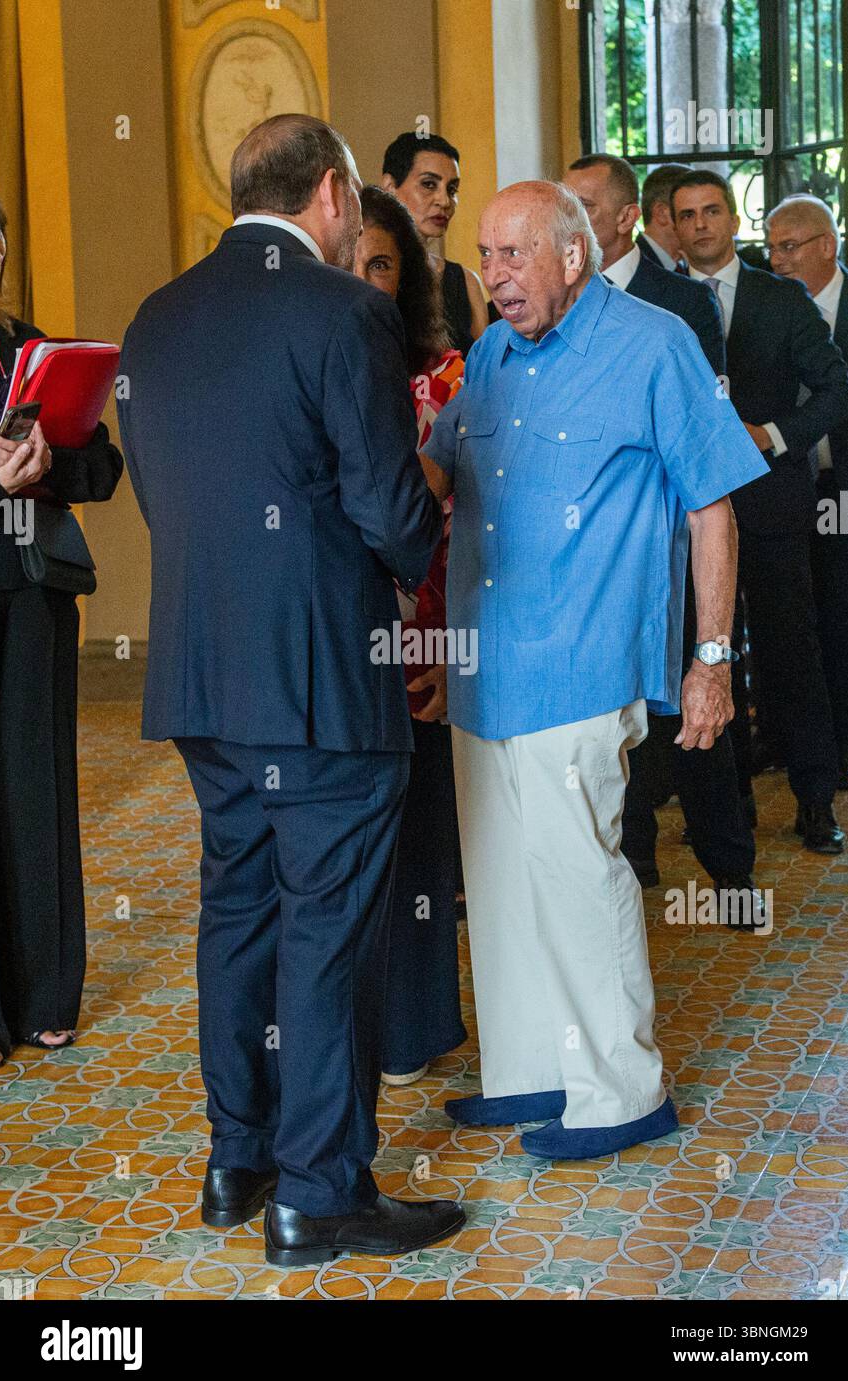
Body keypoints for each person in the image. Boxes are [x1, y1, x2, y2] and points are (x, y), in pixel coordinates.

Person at [117, 114, 463, 1267]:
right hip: (322, 675)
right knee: (327, 927)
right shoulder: (344, 311)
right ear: (329, 193)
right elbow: (388, 508)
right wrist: (425, 539)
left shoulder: (157, 318)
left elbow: (161, 496)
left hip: (201, 674)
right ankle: (319, 1191)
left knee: (239, 910)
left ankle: (239, 1158)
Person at [420, 181, 769, 1160]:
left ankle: (619, 1089)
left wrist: (710, 660)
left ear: (572, 256)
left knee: (578, 874)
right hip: (484, 666)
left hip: (580, 663)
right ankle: (532, 1070)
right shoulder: (492, 353)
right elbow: (435, 474)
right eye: (485, 256)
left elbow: (711, 507)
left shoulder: (654, 345)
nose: (493, 276)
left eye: (513, 255)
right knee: (503, 880)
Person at [563, 155, 763, 929]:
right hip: (594, 553)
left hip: (673, 544)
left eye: (583, 205)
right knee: (615, 714)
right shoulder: (555, 299)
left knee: (694, 717)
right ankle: (636, 856)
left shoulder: (681, 303)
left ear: (623, 218)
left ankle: (730, 872)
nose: (568, 218)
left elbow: (700, 434)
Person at [672, 170, 848, 852]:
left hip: (772, 504)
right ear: (673, 226)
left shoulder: (780, 298)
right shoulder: (659, 303)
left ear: (731, 219)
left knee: (790, 654)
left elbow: (838, 391)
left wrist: (773, 435)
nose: (700, 224)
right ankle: (726, 808)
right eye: (686, 214)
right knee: (707, 658)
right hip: (689, 515)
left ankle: (815, 801)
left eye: (711, 210)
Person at [0, 181, 123, 1069]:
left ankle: (44, 994)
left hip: (34, 590)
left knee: (35, 787)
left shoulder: (26, 348)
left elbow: (102, 467)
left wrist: (48, 463)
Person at [353, 184, 467, 1087]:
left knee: (422, 842)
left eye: (381, 264)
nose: (363, 279)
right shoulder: (298, 364)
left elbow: (477, 524)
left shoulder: (448, 380)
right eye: (348, 260)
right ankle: (350, 1028)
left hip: (425, 640)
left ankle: (413, 1026)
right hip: (332, 644)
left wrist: (447, 647)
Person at [765, 194, 848, 789]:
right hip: (789, 492)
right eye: (770, 247)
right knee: (798, 619)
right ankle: (791, 739)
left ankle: (847, 741)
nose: (776, 260)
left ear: (826, 245)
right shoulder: (773, 308)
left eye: (788, 247)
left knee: (847, 614)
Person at [381, 131, 489, 356]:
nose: (444, 201)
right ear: (390, 187)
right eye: (429, 184)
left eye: (452, 189)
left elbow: (482, 370)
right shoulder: (361, 270)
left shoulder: (466, 282)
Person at [636, 162, 693, 273]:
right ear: (662, 214)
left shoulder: (685, 267)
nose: (701, 224)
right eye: (689, 214)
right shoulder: (634, 268)